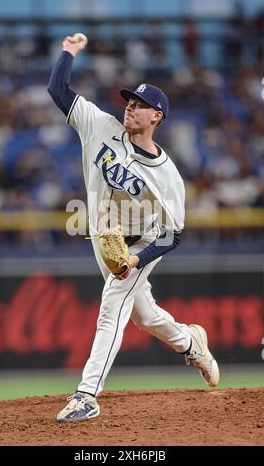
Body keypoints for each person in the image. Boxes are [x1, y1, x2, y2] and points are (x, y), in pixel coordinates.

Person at [48, 34, 220, 423]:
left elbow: (174, 233)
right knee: (143, 315)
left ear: (157, 116)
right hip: (102, 237)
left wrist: (137, 259)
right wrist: (68, 52)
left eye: (141, 105)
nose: (131, 107)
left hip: (140, 242)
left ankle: (87, 394)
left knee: (113, 307)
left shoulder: (168, 176)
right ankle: (190, 342)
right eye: (130, 101)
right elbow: (57, 89)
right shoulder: (100, 126)